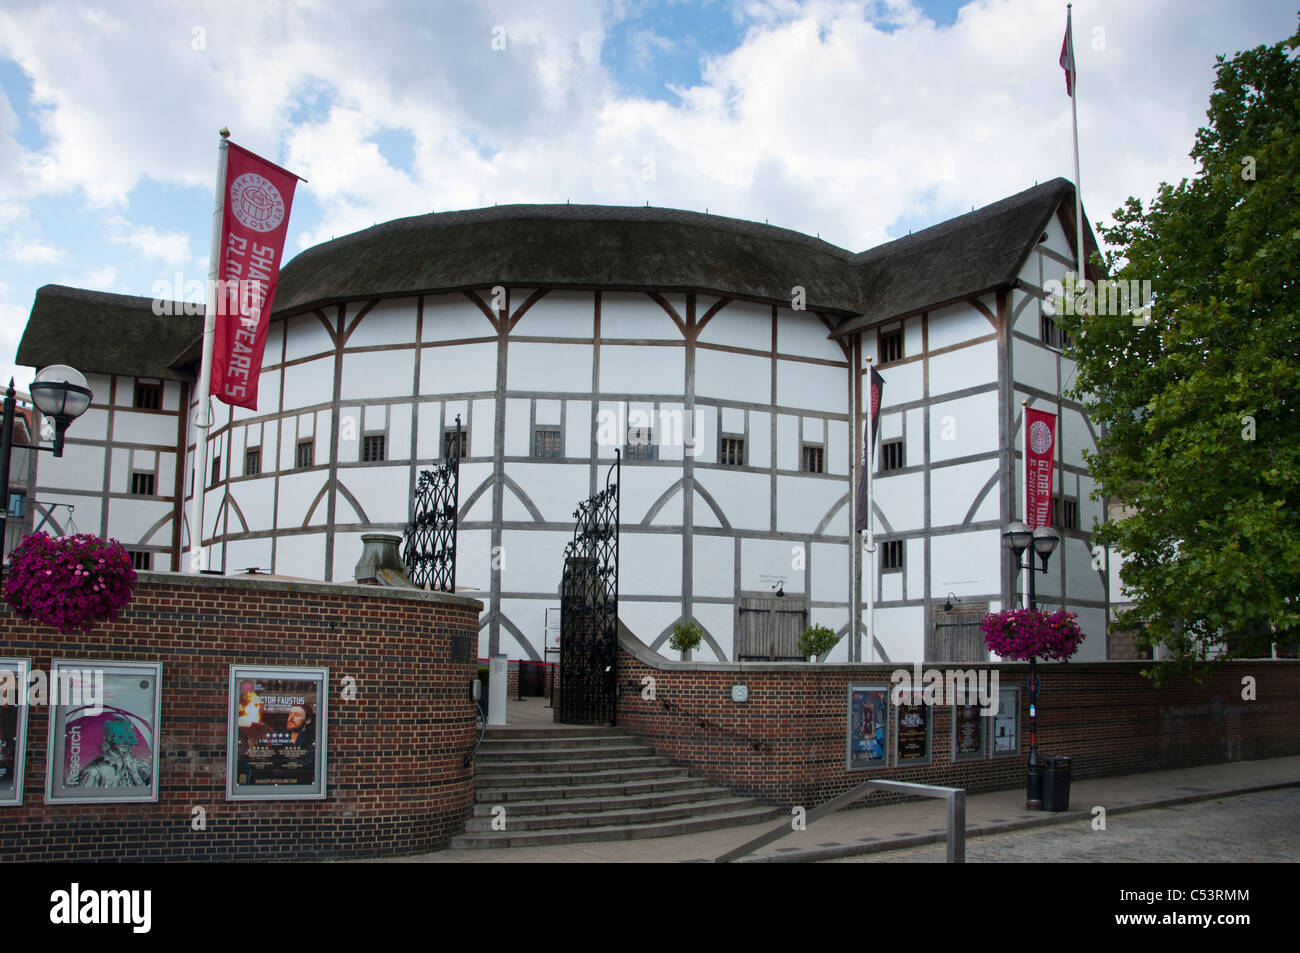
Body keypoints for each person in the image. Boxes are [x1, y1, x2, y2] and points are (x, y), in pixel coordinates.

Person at [75, 716, 151, 788]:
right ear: (108, 740)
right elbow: (83, 794)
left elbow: (152, 785)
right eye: (120, 737)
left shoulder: (138, 765)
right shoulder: (95, 771)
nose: (125, 742)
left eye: (129, 737)